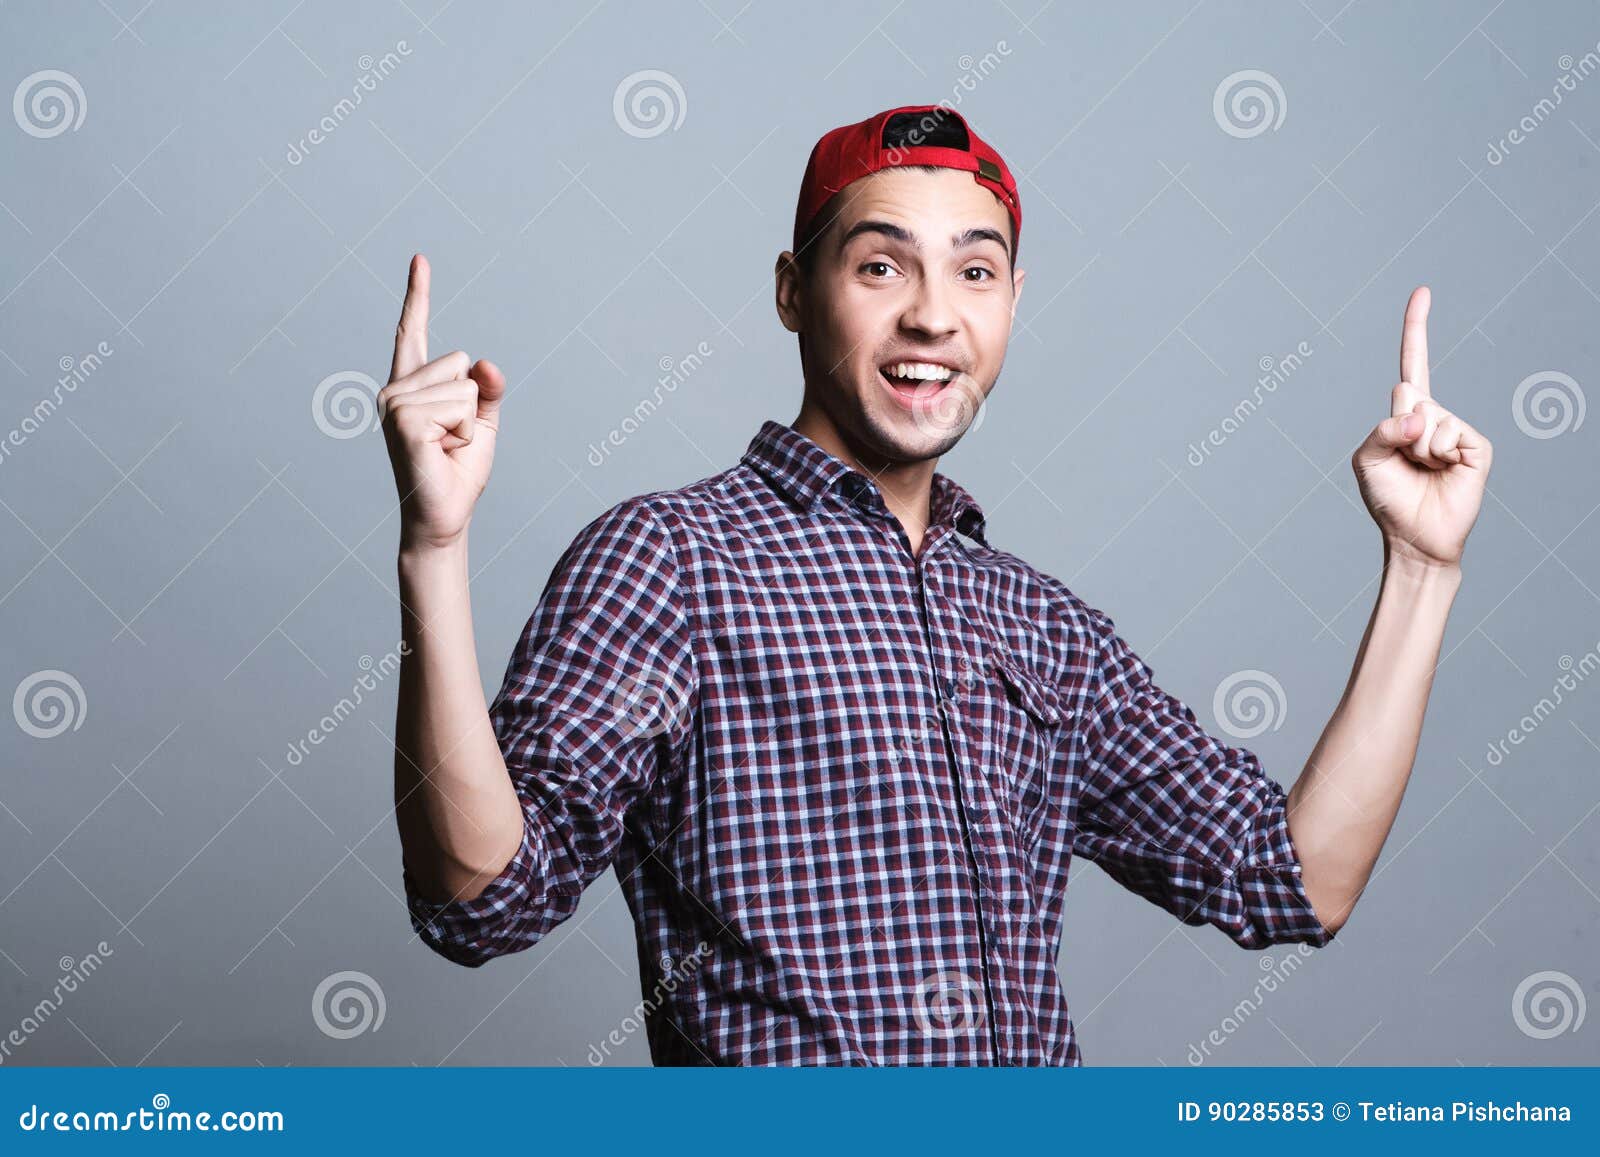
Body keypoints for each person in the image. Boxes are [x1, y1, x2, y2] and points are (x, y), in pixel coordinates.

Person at [381, 104, 1491, 1065]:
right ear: (792, 291)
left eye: (975, 269)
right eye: (879, 264)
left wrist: (1421, 565)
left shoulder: (1042, 624)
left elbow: (1289, 878)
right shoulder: (669, 558)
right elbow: (482, 895)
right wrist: (434, 552)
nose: (931, 314)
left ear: (1010, 300)